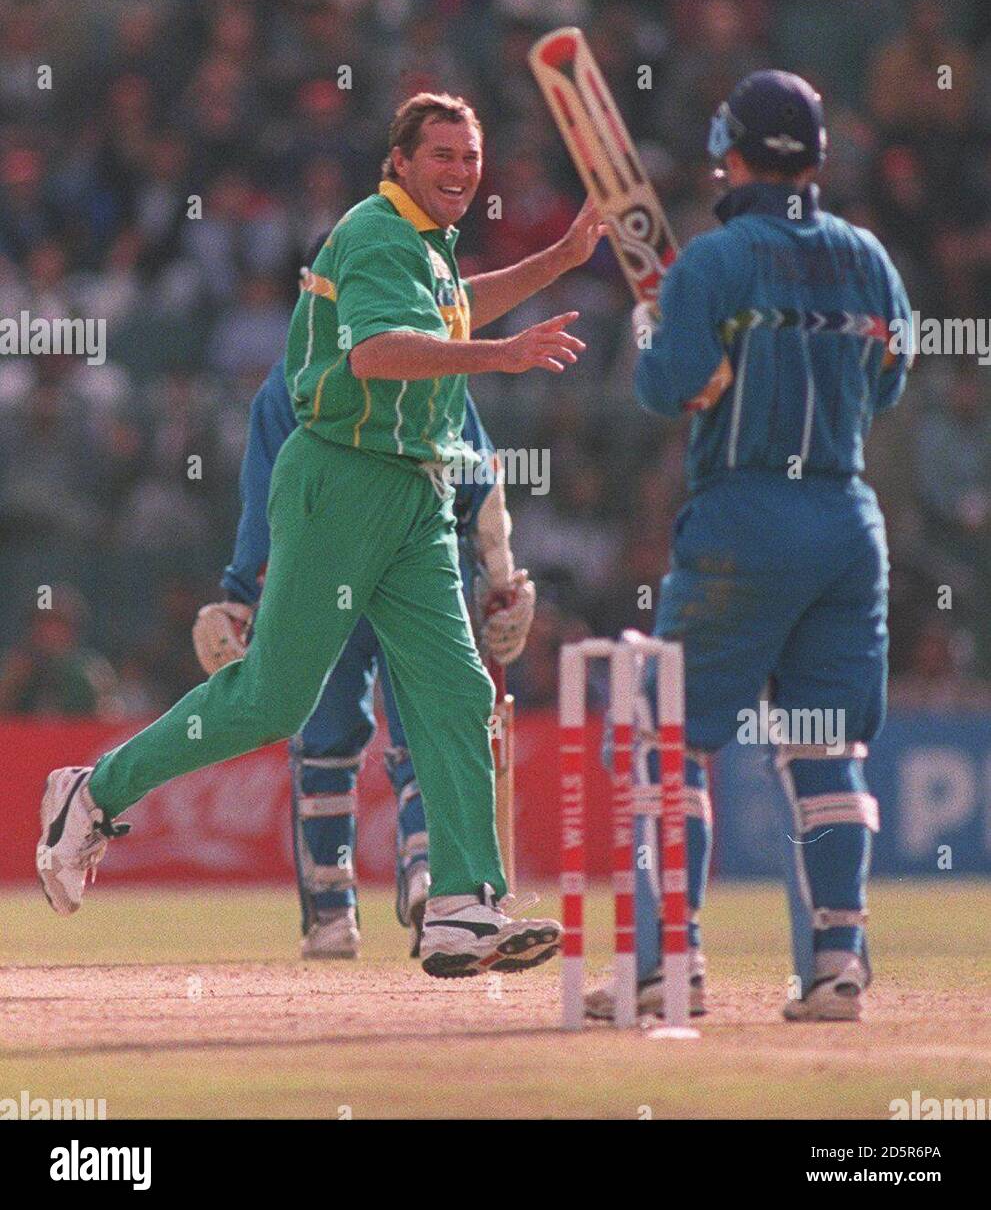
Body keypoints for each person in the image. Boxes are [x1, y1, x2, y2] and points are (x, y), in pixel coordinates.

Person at [37, 91, 602, 981]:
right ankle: (93, 791)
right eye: (442, 155)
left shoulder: (423, 245)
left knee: (454, 689)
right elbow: (378, 352)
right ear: (401, 162)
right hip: (342, 477)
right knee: (273, 701)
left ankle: (460, 906)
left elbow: (454, 304)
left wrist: (563, 257)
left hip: (413, 491)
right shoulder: (379, 233)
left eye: (470, 156)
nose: (460, 170)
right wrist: (502, 357)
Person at [588, 71, 911, 1022]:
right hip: (849, 525)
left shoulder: (716, 260)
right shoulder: (868, 257)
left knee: (666, 740)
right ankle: (836, 970)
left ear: (727, 152)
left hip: (745, 515)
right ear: (815, 156)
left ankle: (663, 968)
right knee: (824, 746)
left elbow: (668, 387)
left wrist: (658, 335)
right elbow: (888, 384)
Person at [193, 356, 534, 960]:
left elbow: (264, 499)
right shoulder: (408, 359)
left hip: (334, 561)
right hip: (413, 556)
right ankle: (418, 878)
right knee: (406, 725)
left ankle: (346, 907)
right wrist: (500, 579)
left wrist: (240, 592)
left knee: (344, 735)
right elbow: (482, 483)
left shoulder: (295, 378)